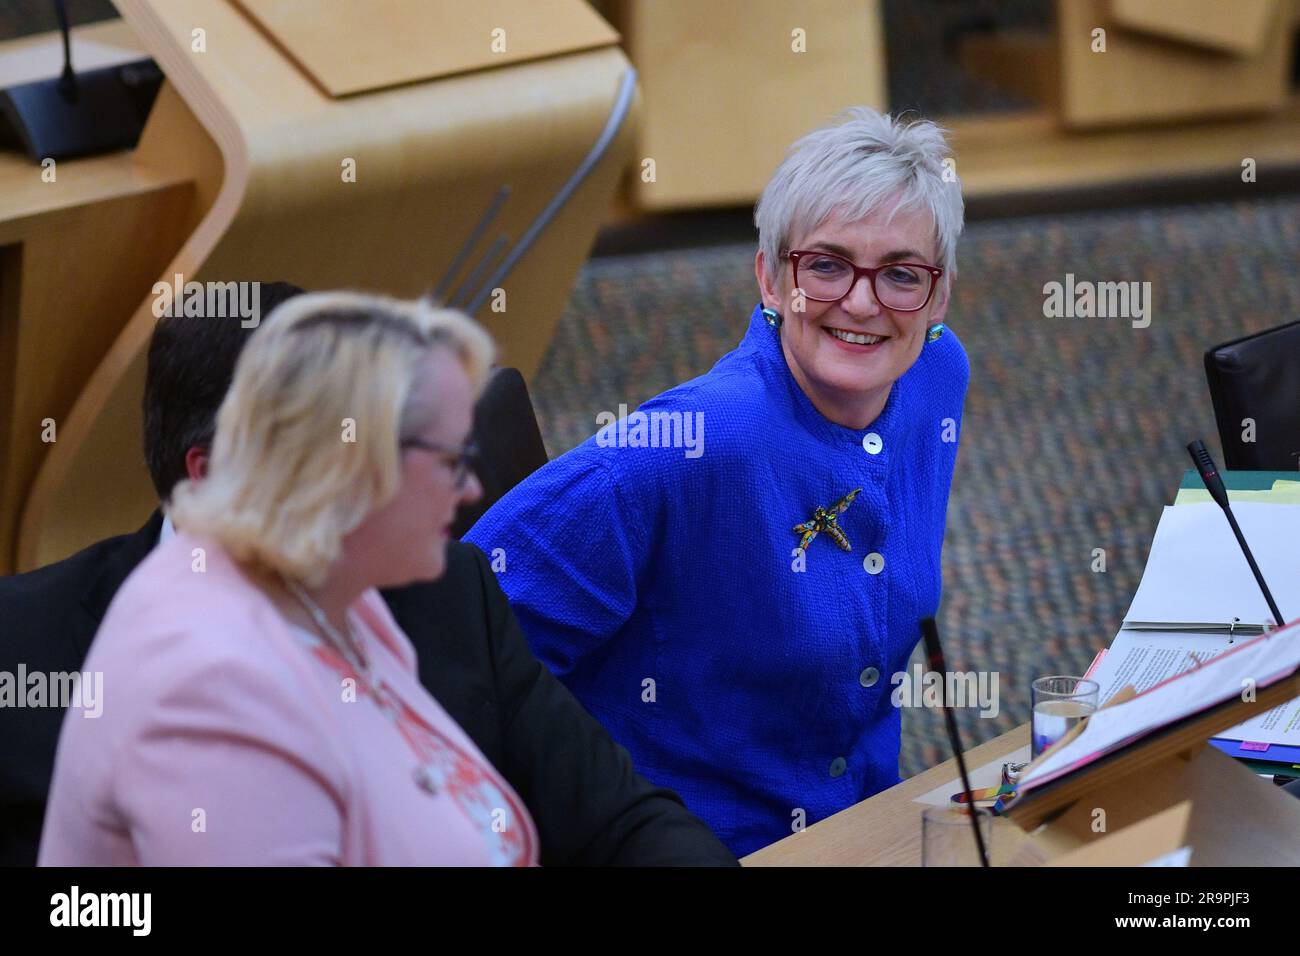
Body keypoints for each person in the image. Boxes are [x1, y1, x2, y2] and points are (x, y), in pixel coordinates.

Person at [16, 288, 733, 865]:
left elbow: (616, 817)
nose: (468, 490)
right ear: (221, 476)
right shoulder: (199, 691)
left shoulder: (409, 592)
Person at [464, 108, 971, 856]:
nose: (862, 303)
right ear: (769, 277)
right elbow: (461, 629)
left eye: (900, 274)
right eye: (826, 265)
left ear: (939, 297)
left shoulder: (935, 372)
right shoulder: (699, 441)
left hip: (863, 821)